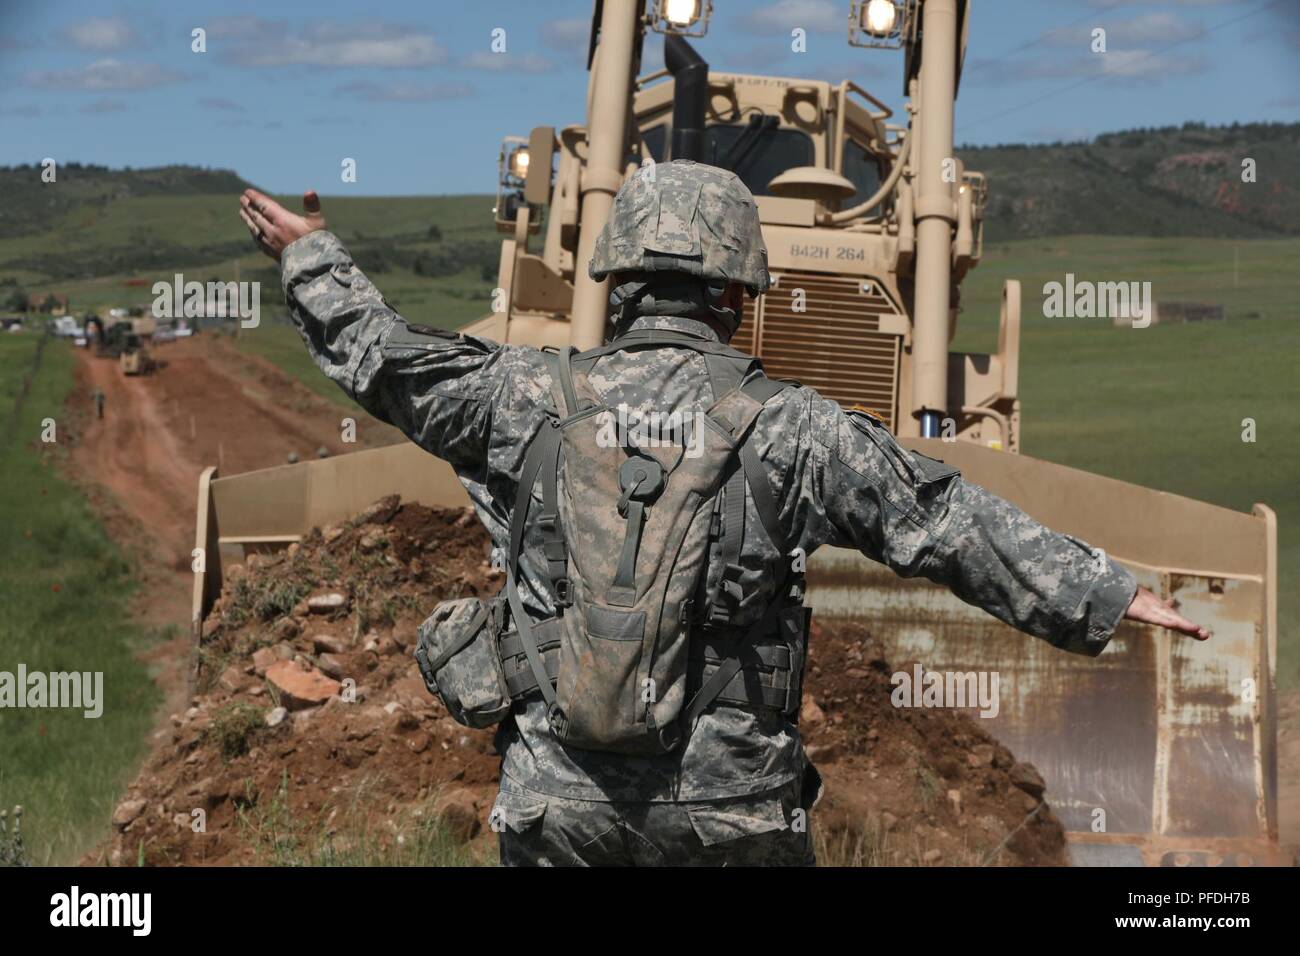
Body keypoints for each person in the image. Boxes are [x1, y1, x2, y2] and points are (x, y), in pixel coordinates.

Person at [238, 162, 1206, 866]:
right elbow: (942, 520)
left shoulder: (520, 395)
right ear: (737, 293)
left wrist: (311, 255)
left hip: (556, 802)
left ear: (617, 280)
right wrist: (1104, 592)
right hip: (732, 810)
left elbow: (384, 359)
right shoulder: (796, 428)